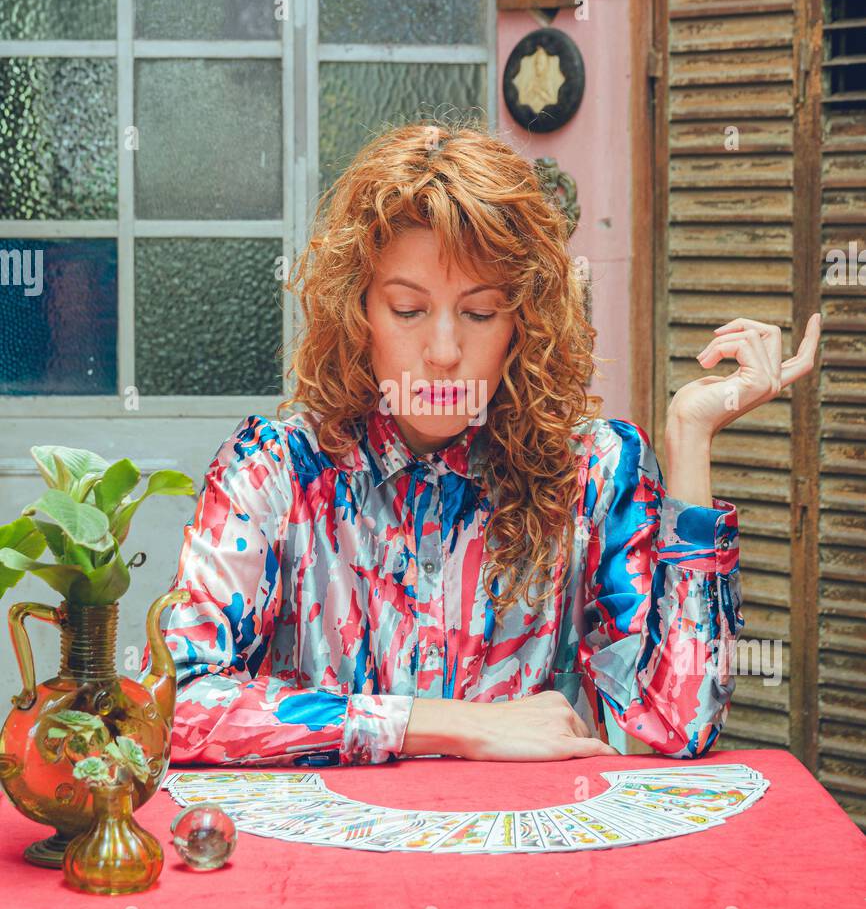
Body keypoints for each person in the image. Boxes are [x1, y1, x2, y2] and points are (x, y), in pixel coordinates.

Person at [139, 121, 821, 767]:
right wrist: (447, 724)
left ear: (522, 323)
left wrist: (691, 438)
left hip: (527, 845)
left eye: (479, 312)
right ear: (358, 312)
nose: (443, 352)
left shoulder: (593, 472)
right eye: (408, 310)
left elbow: (677, 724)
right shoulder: (276, 472)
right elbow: (170, 706)